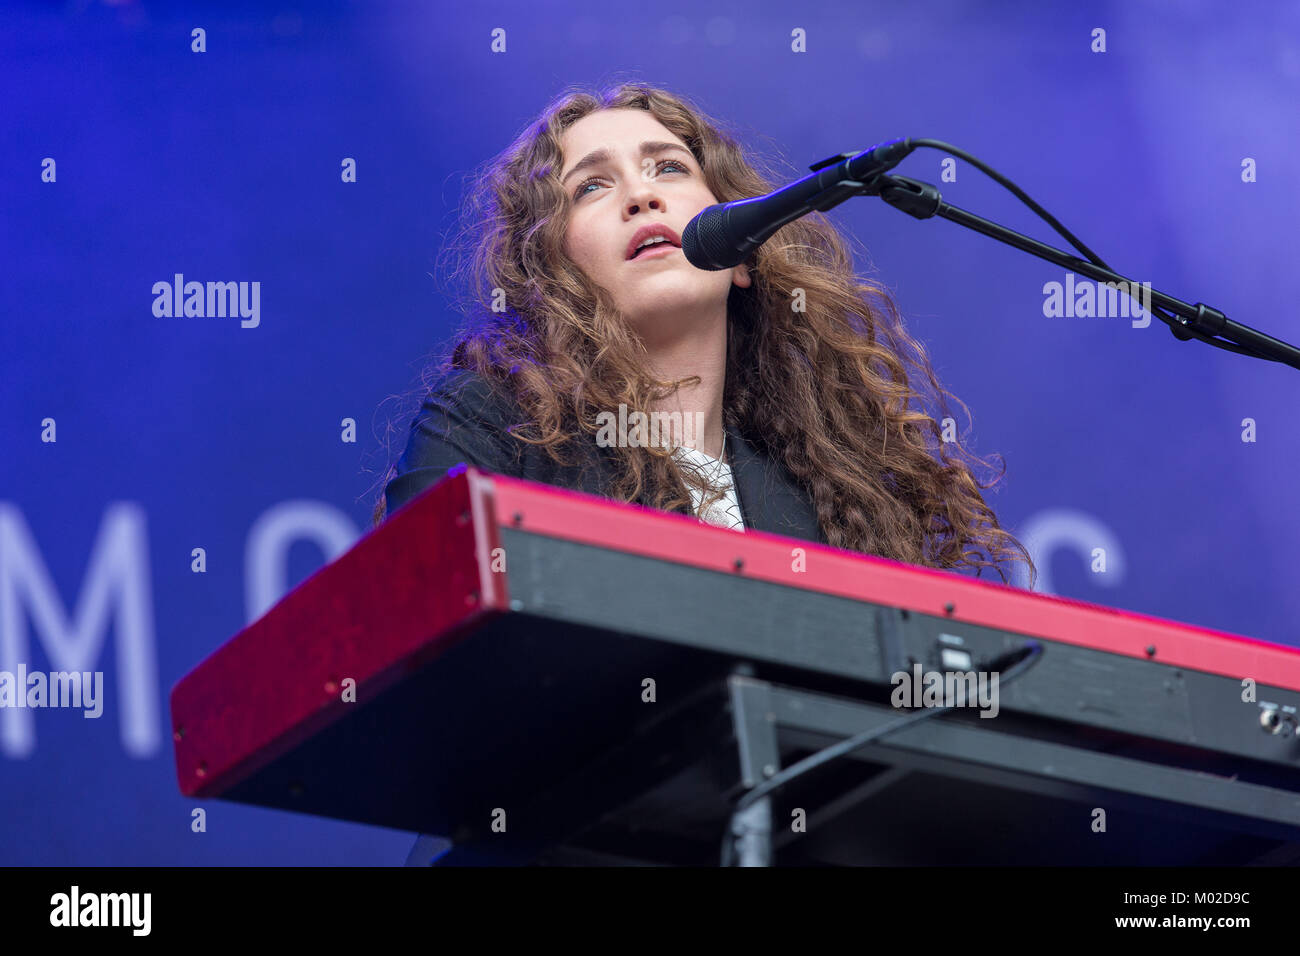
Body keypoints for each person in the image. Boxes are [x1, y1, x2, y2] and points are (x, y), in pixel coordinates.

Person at [372, 81, 1034, 586]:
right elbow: (407, 626)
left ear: (742, 253)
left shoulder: (821, 489)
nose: (642, 195)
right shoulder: (489, 421)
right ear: (554, 268)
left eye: (669, 168)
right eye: (592, 186)